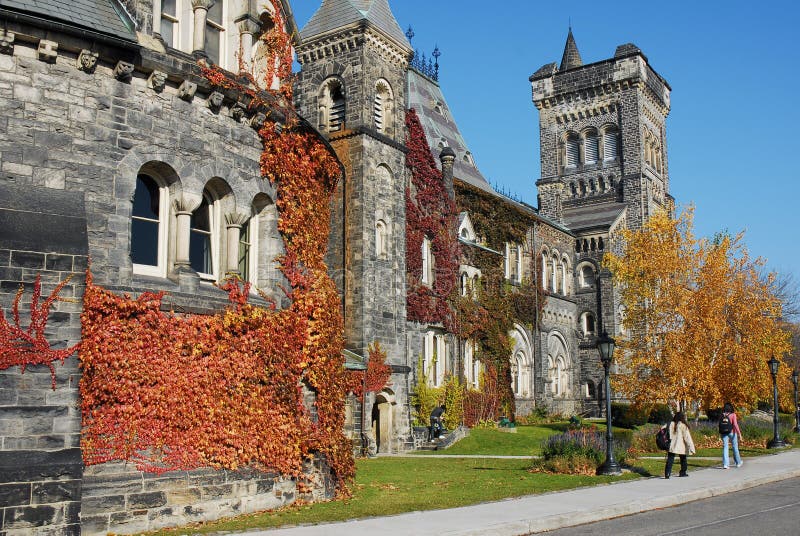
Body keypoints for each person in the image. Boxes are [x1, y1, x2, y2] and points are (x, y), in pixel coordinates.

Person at [665, 411, 695, 479]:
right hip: (681, 445)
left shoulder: (670, 424)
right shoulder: (683, 425)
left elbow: (662, 429)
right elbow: (687, 437)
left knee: (670, 459)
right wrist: (691, 447)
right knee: (683, 459)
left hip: (671, 444)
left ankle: (667, 473)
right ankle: (682, 472)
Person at [720, 402, 743, 469]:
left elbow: (720, 424)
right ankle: (738, 462)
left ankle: (725, 464)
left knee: (725, 447)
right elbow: (735, 425)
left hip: (724, 432)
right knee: (735, 447)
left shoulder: (722, 415)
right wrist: (739, 434)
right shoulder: (733, 415)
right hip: (732, 432)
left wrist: (720, 433)